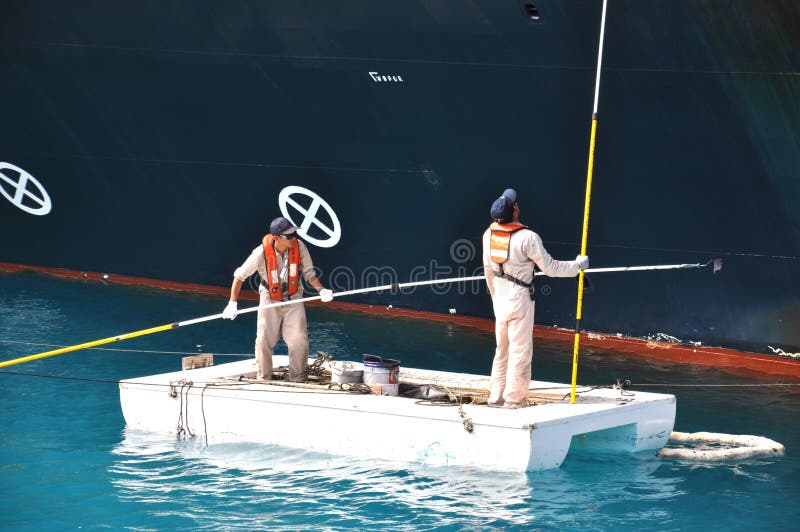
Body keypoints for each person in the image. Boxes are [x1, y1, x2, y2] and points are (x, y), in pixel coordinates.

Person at [482, 188, 589, 409]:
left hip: (499, 298)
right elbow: (550, 268)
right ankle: (513, 401)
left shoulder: (488, 235)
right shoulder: (528, 238)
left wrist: (494, 298)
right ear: (515, 211)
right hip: (520, 298)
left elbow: (488, 271)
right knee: (520, 351)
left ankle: (495, 396)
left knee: (501, 350)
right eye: (516, 204)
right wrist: (577, 266)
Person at [222, 216, 333, 382]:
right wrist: (232, 303)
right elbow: (239, 276)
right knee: (264, 340)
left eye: (293, 234)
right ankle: (263, 378)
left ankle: (297, 379)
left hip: (293, 296)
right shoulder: (260, 253)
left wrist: (322, 290)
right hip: (269, 297)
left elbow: (309, 273)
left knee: (299, 340)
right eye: (288, 236)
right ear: (276, 238)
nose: (293, 238)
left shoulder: (299, 247)